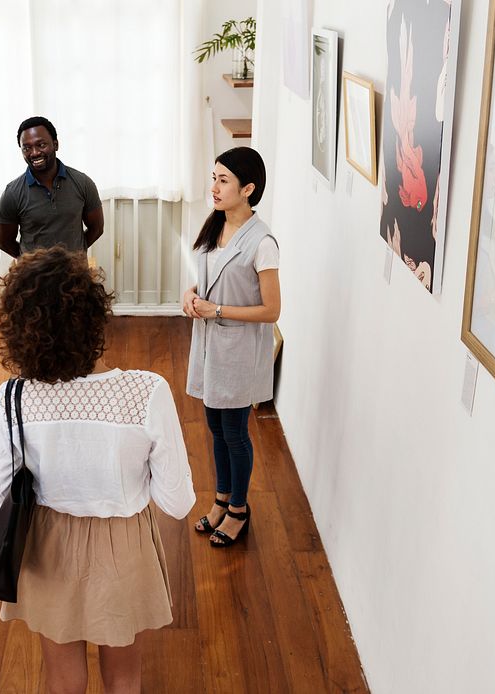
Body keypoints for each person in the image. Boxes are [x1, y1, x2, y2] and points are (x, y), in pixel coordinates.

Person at [0, 247, 195, 694]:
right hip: (124, 544)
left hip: (47, 547)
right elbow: (178, 504)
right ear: (95, 317)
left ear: (19, 329)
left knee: (63, 680)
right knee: (123, 678)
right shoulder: (147, 391)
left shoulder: (14, 397)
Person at [183, 146, 281, 547]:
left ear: (248, 189)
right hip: (210, 345)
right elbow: (210, 277)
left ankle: (239, 509)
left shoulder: (263, 242)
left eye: (223, 180)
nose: (214, 187)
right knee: (215, 428)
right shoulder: (216, 225)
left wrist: (217, 310)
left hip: (238, 351)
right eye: (214, 178)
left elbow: (272, 310)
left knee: (235, 433)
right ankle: (221, 499)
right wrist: (190, 294)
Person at [0, 116, 104, 257]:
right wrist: (31, 263)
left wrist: (74, 255)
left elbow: (97, 228)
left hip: (74, 270)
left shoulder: (83, 183)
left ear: (55, 144)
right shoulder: (12, 193)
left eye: (41, 145)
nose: (34, 153)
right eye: (27, 148)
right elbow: (5, 242)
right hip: (33, 271)